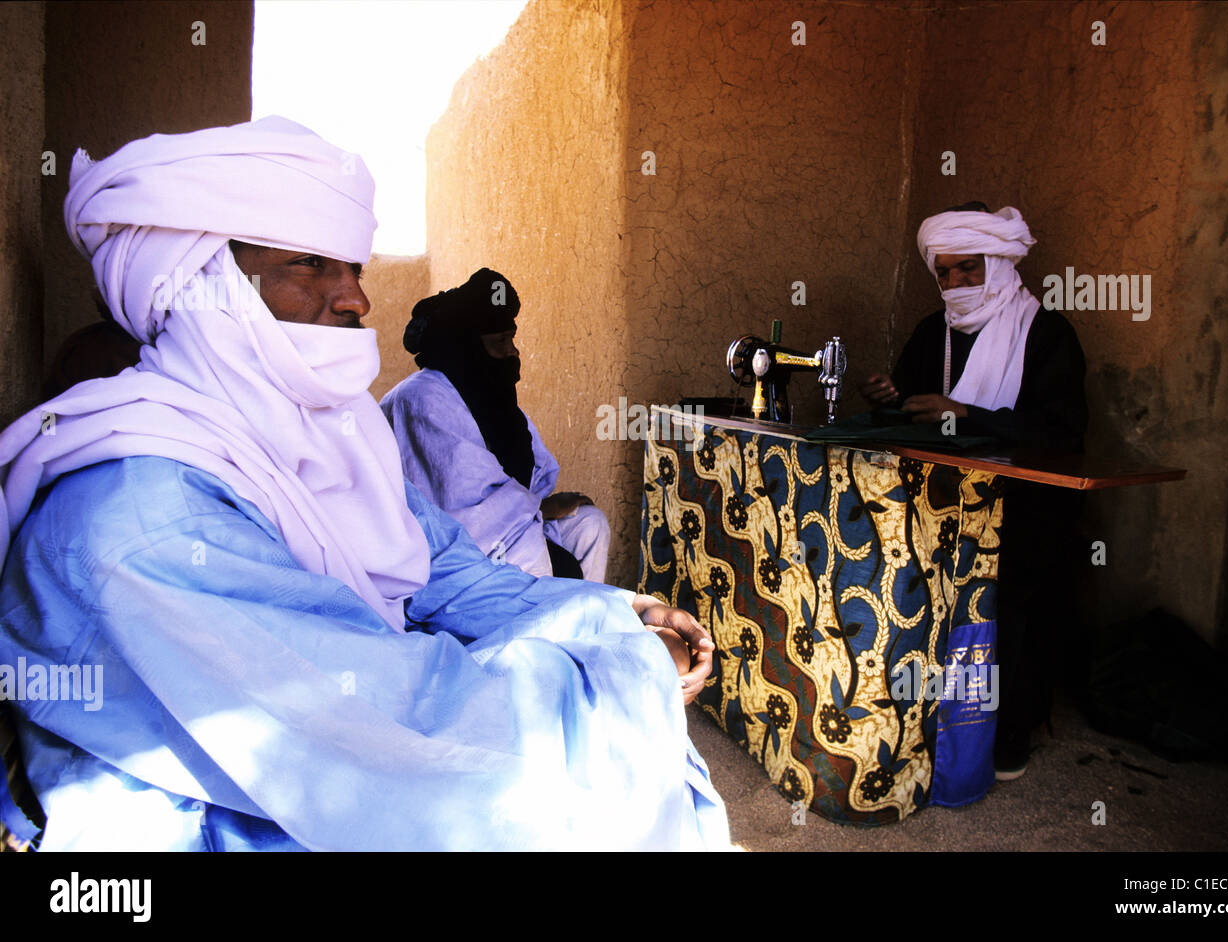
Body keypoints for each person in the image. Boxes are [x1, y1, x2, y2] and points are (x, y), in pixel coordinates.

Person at [0, 117, 727, 851]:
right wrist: (629, 677)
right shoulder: (143, 518)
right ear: (207, 287)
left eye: (355, 269)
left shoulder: (324, 438)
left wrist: (611, 618)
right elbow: (390, 724)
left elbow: (445, 568)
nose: (355, 301)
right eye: (311, 264)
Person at [863, 202, 1088, 781]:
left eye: (969, 269)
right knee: (933, 606)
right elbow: (917, 406)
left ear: (999, 263)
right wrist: (891, 396)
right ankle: (937, 723)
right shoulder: (931, 331)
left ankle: (1010, 731)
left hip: (1026, 505)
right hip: (946, 501)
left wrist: (965, 414)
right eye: (945, 272)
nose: (956, 283)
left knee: (1008, 614)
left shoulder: (1046, 334)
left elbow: (1062, 430)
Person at [381, 271, 610, 582]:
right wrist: (539, 508)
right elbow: (461, 506)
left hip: (505, 523)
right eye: (501, 341)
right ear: (468, 345)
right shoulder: (422, 397)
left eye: (511, 338)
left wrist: (539, 507)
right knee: (537, 557)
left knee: (589, 524)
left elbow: (529, 474)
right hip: (448, 544)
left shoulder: (486, 396)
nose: (513, 351)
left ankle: (586, 625)